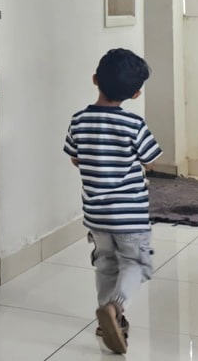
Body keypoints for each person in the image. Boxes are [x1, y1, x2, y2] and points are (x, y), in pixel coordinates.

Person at [65, 48, 162, 355]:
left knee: (105, 264)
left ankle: (107, 320)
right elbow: (151, 161)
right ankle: (115, 308)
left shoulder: (79, 121)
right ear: (135, 94)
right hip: (130, 215)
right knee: (136, 263)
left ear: (95, 79)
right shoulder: (134, 125)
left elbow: (75, 159)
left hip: (97, 216)